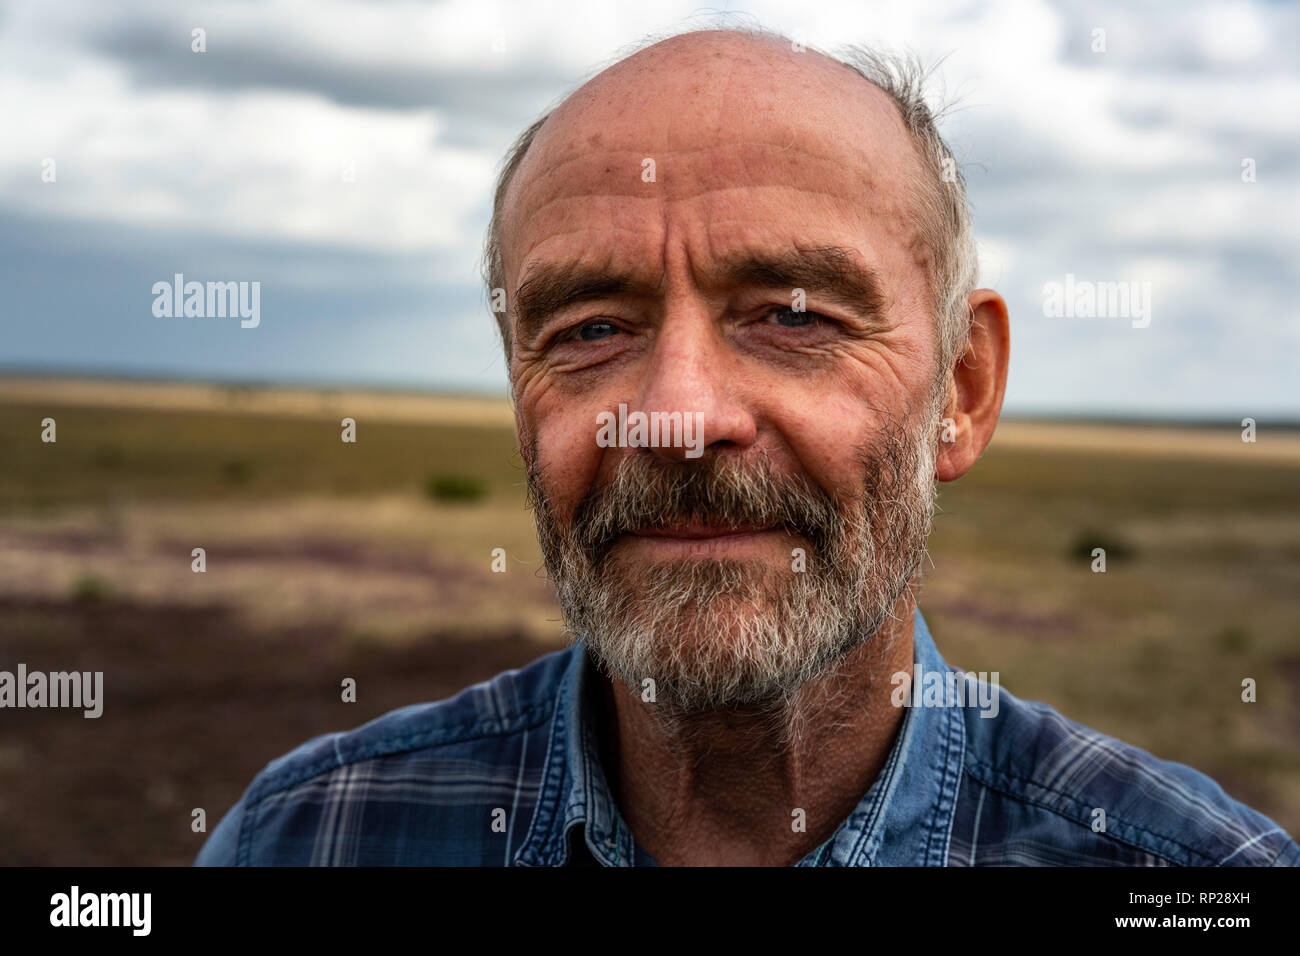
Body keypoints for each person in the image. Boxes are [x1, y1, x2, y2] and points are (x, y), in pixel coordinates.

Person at [196, 25, 1298, 867]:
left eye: (794, 314)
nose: (678, 415)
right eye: (590, 329)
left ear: (961, 388)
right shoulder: (312, 834)